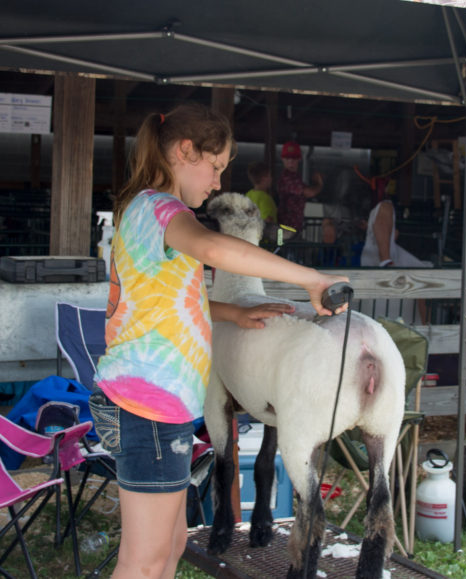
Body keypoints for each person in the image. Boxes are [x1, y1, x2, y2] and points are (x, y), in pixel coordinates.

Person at [90, 103, 348, 579]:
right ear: (185, 151)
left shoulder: (147, 212)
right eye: (214, 167)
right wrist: (311, 279)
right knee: (144, 562)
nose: (215, 183)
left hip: (154, 406)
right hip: (148, 407)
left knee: (167, 548)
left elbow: (161, 302)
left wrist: (233, 312)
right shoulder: (162, 209)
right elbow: (214, 248)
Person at [360, 199, 431, 323]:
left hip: (398, 321)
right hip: (381, 317)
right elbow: (384, 208)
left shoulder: (399, 252)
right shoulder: (383, 208)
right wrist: (386, 261)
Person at [276, 140, 322, 236]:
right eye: (287, 158)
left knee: (289, 248)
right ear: (283, 159)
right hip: (284, 229)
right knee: (282, 248)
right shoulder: (287, 178)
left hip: (292, 228)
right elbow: (309, 192)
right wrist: (319, 183)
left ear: (299, 159)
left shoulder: (296, 178)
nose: (291, 162)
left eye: (294, 158)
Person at [245, 160, 277, 225]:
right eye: (269, 175)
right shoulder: (265, 199)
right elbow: (268, 221)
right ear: (264, 179)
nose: (271, 178)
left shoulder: (248, 194)